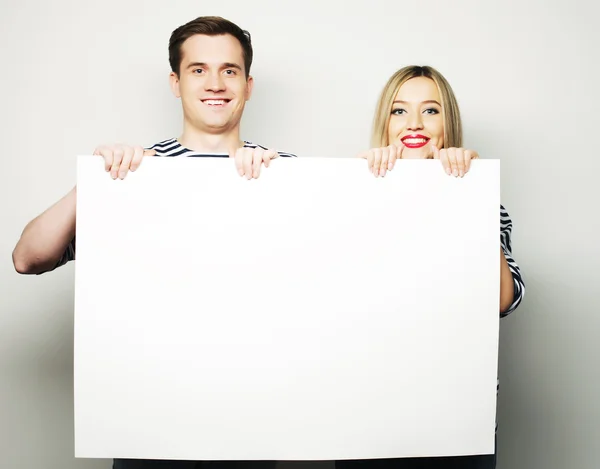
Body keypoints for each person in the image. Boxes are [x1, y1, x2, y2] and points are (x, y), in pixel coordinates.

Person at [11, 15, 294, 469]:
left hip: (252, 425)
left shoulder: (289, 174)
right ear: (175, 82)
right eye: (198, 69)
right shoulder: (133, 175)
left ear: (248, 84)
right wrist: (97, 183)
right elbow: (29, 258)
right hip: (150, 428)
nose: (215, 83)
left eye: (230, 70)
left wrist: (286, 187)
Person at [341, 65, 526, 469]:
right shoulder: (350, 193)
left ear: (448, 124)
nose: (414, 123)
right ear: (385, 123)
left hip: (458, 410)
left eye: (430, 111)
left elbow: (502, 301)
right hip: (368, 410)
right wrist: (352, 187)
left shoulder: (482, 204)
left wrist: (469, 196)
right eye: (399, 111)